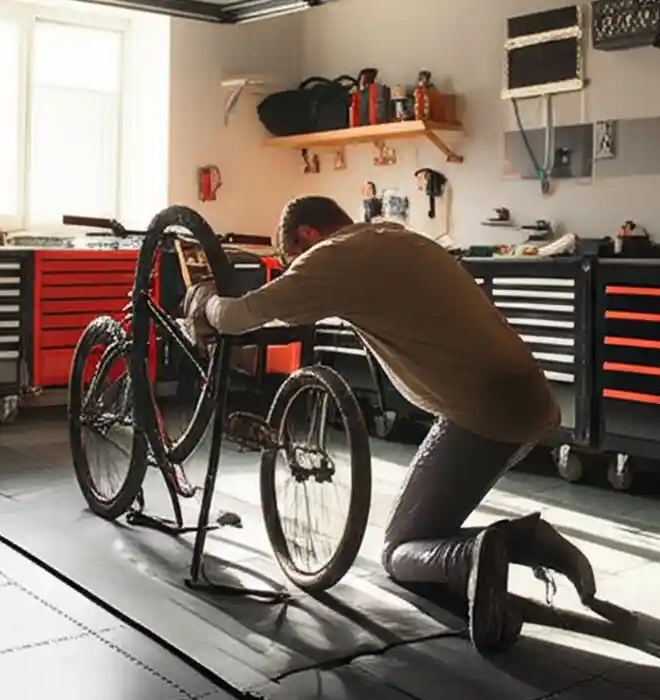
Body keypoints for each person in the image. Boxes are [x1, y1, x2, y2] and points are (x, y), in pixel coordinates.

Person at [183, 196, 595, 653]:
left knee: (399, 551)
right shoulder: (394, 235)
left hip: (481, 411)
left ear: (306, 236)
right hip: (531, 400)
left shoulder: (330, 256)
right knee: (428, 525)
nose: (298, 271)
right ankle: (524, 539)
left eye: (293, 261)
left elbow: (244, 315)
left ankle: (477, 553)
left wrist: (206, 303)